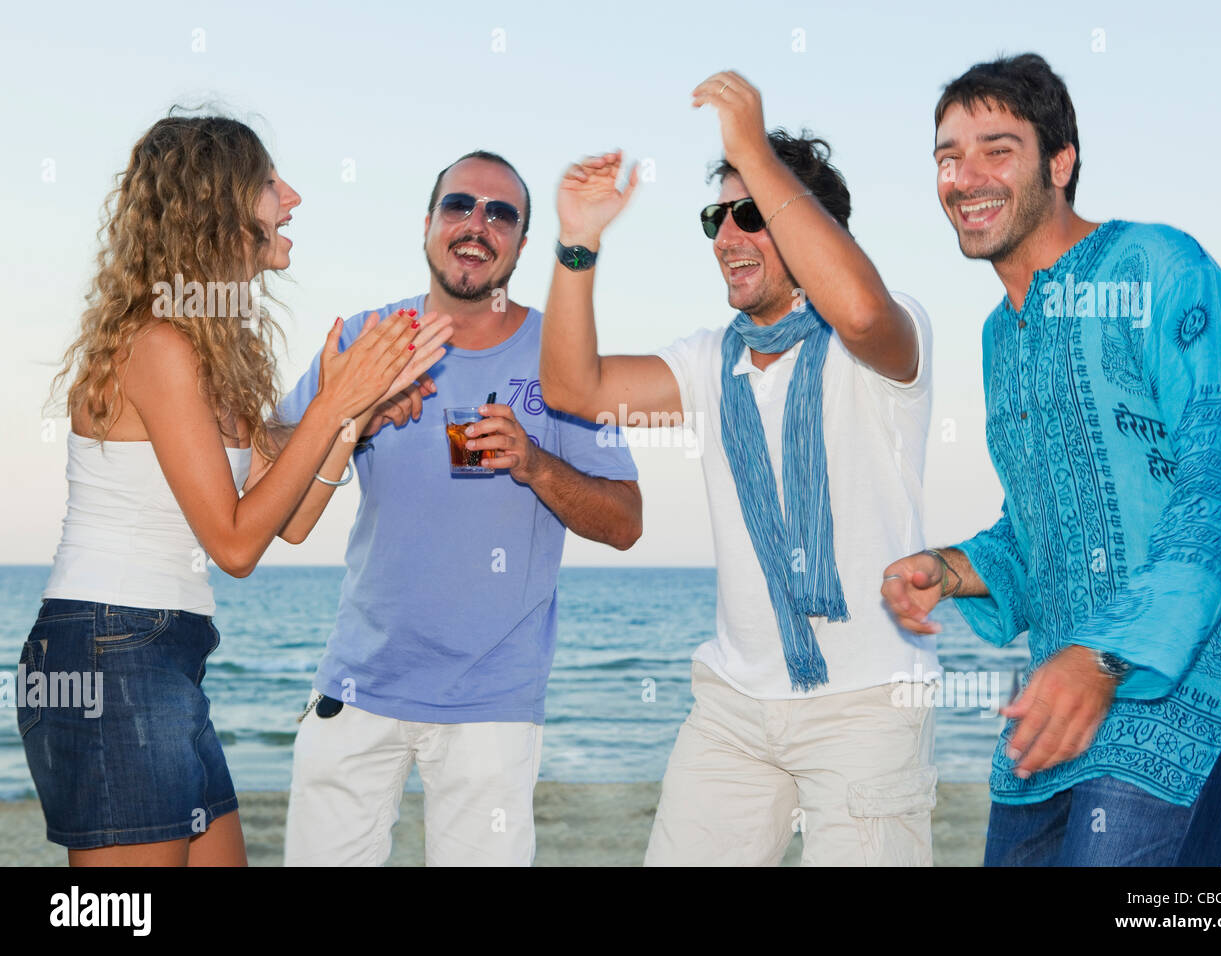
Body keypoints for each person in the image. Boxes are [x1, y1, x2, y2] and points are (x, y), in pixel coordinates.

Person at [881, 53, 1221, 865]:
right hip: (1058, 703)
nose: (965, 176)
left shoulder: (1160, 266)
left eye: (997, 149)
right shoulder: (1001, 337)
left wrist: (1109, 658)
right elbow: (1041, 527)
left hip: (1189, 680)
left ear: (1060, 163)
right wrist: (952, 566)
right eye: (947, 156)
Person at [22, 114, 452, 866]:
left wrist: (355, 418)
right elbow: (234, 542)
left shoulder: (214, 350)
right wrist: (329, 404)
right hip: (106, 656)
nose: (291, 197)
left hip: (162, 657)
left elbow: (285, 518)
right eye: (267, 183)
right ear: (215, 208)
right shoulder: (158, 345)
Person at [539, 72, 939, 866]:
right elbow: (571, 389)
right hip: (733, 705)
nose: (726, 235)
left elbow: (856, 310)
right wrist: (578, 241)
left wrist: (750, 145)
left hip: (867, 704)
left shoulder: (885, 336)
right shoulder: (704, 361)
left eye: (751, 213)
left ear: (811, 226)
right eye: (715, 218)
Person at [279, 150, 643, 867]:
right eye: (459, 206)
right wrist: (350, 417)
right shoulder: (363, 339)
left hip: (493, 702)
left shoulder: (561, 356)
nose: (477, 224)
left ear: (522, 245)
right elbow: (272, 465)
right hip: (358, 684)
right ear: (427, 225)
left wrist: (535, 464)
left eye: (501, 213)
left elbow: (626, 523)